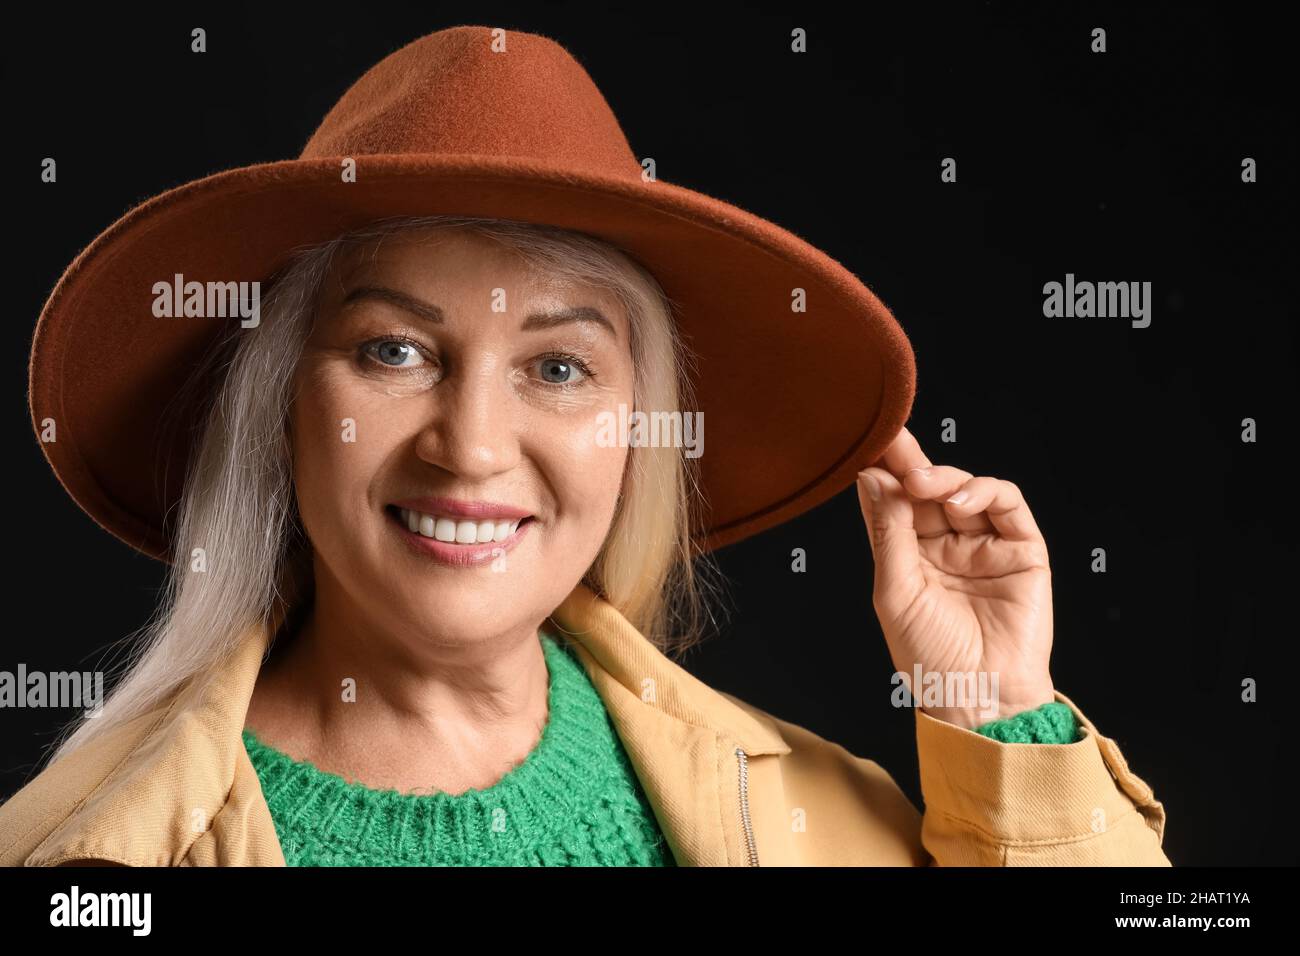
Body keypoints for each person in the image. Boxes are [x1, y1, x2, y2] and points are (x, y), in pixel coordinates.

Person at [0, 26, 1168, 866]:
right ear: (280, 405)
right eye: (395, 352)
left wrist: (997, 706)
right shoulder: (87, 865)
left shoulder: (814, 818)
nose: (469, 448)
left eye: (557, 370)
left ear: (637, 432)